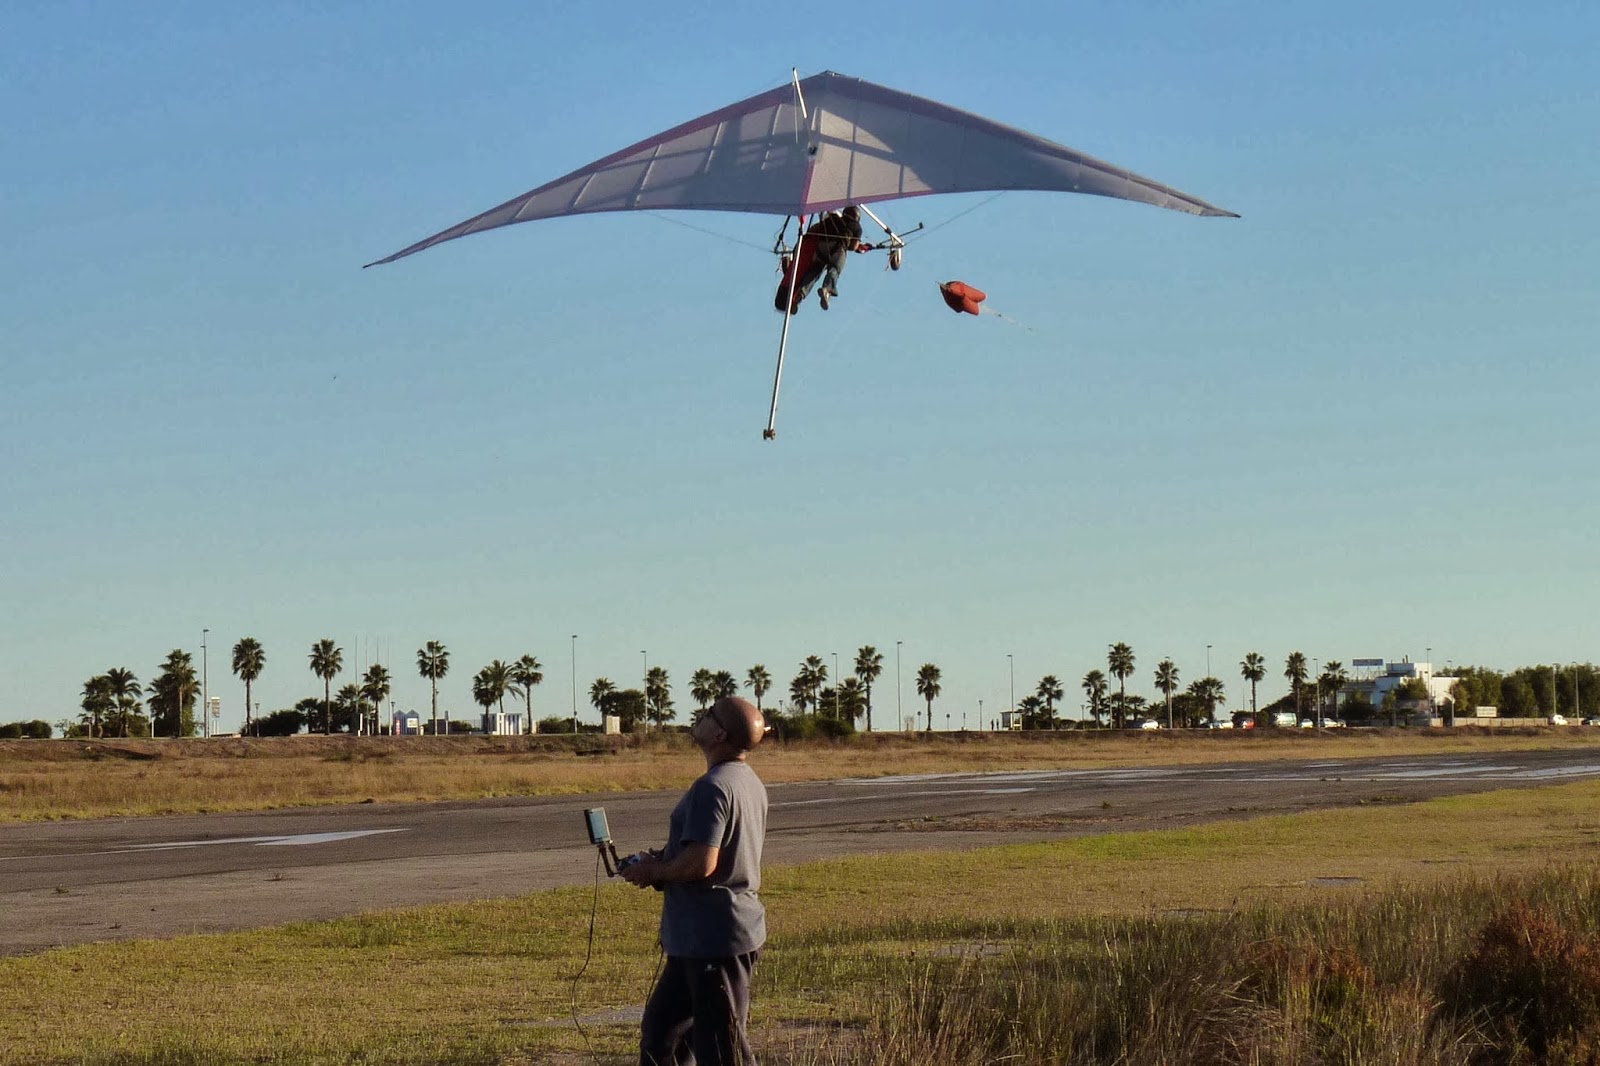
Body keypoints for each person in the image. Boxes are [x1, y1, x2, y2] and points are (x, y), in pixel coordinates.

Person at [621, 696, 769, 1065]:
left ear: (719, 734)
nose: (701, 716)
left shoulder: (713, 787)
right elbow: (710, 851)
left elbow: (703, 863)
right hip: (697, 939)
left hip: (713, 939)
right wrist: (665, 858)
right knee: (662, 1036)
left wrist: (654, 871)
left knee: (720, 1049)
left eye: (709, 714)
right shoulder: (745, 781)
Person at [798, 205, 866, 311]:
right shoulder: (856, 227)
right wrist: (858, 246)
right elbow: (853, 247)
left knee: (815, 270)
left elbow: (816, 229)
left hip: (821, 247)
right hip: (838, 249)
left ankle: (800, 294)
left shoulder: (833, 219)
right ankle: (827, 288)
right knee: (835, 269)